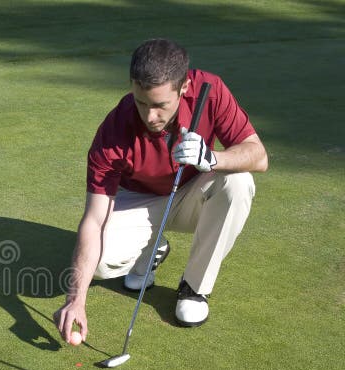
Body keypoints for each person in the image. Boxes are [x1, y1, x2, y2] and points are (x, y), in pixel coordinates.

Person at [54, 38, 268, 344]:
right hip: (137, 201)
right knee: (100, 263)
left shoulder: (211, 90)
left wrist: (213, 159)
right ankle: (152, 247)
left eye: (159, 105)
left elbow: (258, 156)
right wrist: (76, 299)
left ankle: (195, 288)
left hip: (191, 191)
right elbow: (94, 219)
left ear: (183, 88)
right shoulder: (114, 130)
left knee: (238, 181)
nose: (149, 116)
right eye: (141, 102)